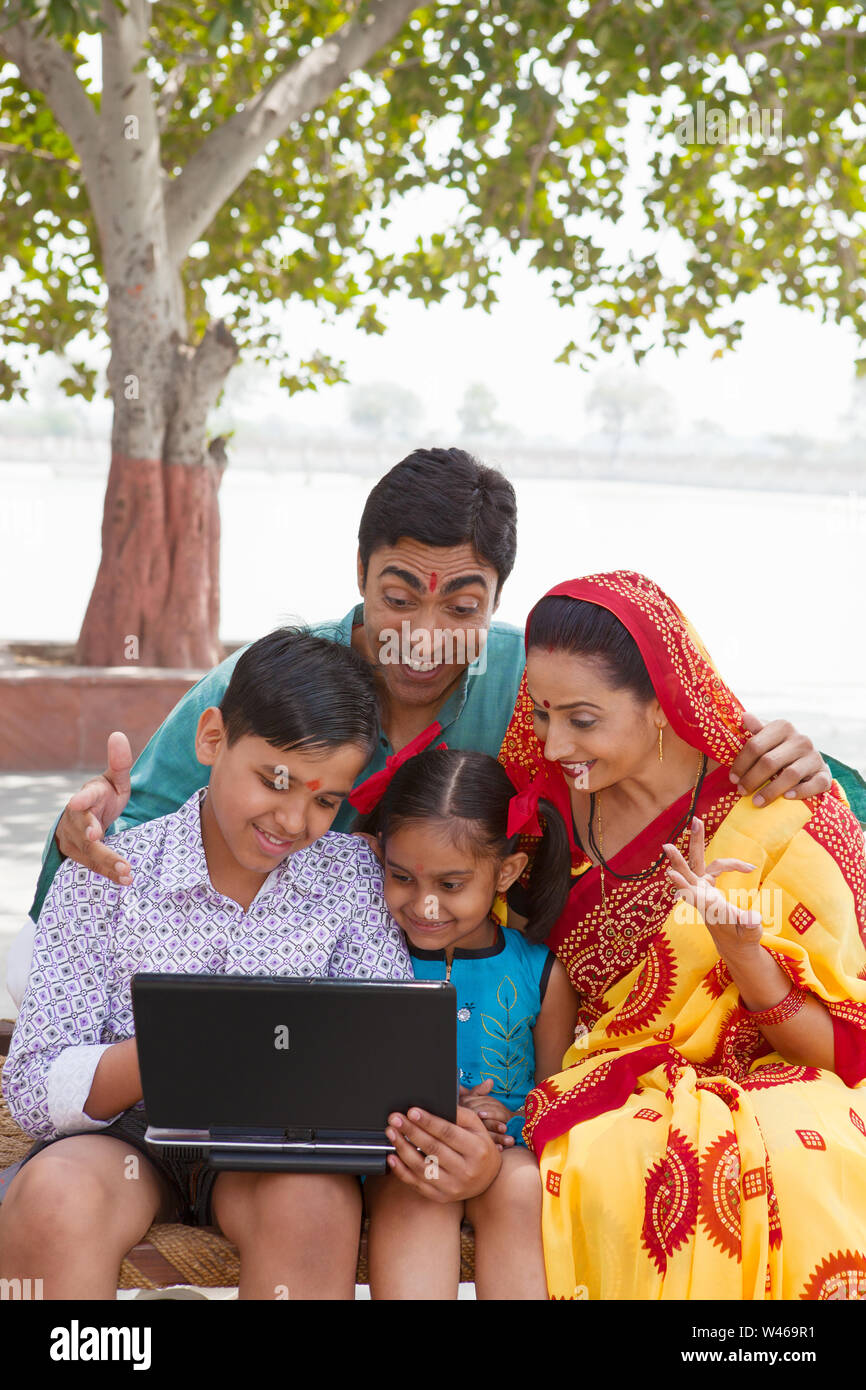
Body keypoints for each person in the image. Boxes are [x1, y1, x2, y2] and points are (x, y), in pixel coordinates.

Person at [0, 629, 416, 1300]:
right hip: (124, 1137)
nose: (294, 819)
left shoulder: (350, 880)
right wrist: (175, 1048)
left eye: (325, 800)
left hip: (280, 1149)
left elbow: (387, 1052)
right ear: (213, 739)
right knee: (54, 1199)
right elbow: (33, 1088)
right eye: (274, 781)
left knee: (313, 1208)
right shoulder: (107, 871)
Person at [498, 572, 866, 1300]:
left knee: (795, 1161)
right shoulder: (540, 815)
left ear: (662, 705)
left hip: (789, 1076)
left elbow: (847, 1047)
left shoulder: (782, 815)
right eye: (540, 714)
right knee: (615, 1159)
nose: (557, 742)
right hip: (602, 1078)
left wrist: (744, 956)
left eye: (582, 718)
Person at [354, 746, 579, 1299]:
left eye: (451, 885)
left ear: (506, 871)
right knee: (416, 1190)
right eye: (401, 877)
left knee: (524, 1183)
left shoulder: (542, 976)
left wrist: (501, 1123)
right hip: (398, 1159)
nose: (424, 906)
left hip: (507, 1158)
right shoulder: (366, 958)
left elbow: (556, 1102)